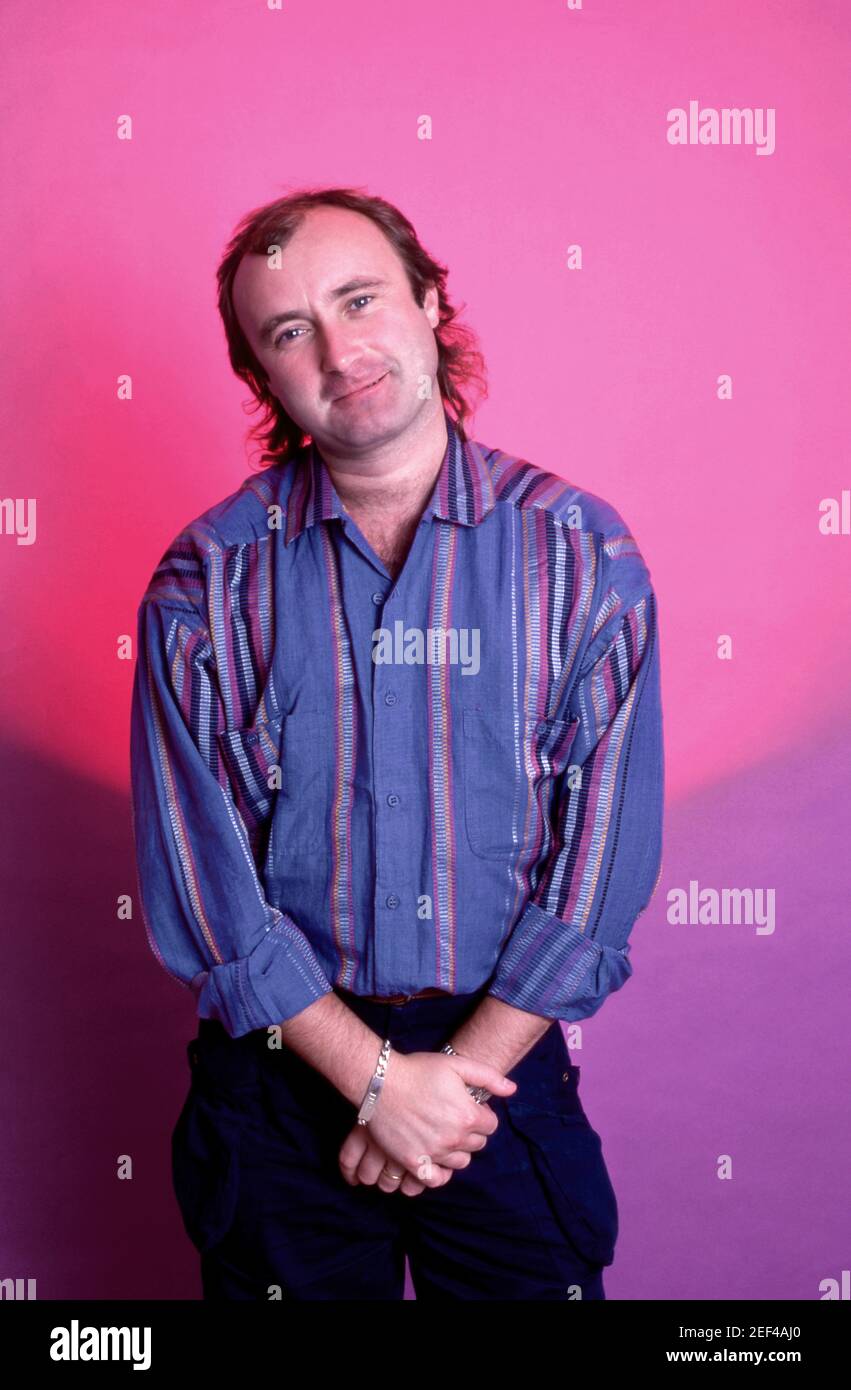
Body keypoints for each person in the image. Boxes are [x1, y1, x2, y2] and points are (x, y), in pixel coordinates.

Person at [129, 185, 665, 1300]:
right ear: (263, 376)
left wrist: (443, 1089)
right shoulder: (204, 583)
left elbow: (598, 872)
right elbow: (205, 888)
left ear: (428, 303)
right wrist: (372, 1081)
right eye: (288, 330)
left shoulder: (581, 558)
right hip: (278, 1089)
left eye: (359, 298)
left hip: (500, 1074)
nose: (336, 347)